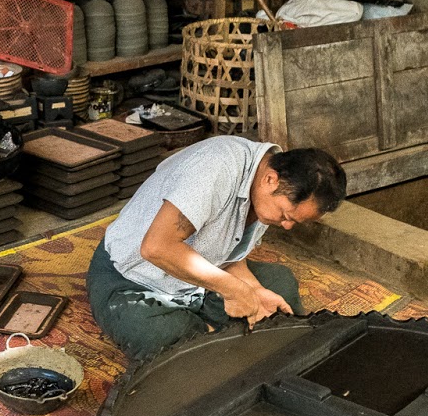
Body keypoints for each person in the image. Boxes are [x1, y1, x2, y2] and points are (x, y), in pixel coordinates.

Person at [86, 137, 346, 363]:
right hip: (133, 275)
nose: (287, 226)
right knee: (157, 335)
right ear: (271, 179)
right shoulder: (214, 167)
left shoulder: (265, 190)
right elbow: (156, 247)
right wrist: (234, 290)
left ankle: (206, 333)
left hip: (196, 278)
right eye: (286, 215)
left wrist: (253, 290)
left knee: (280, 286)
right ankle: (203, 337)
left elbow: (230, 251)